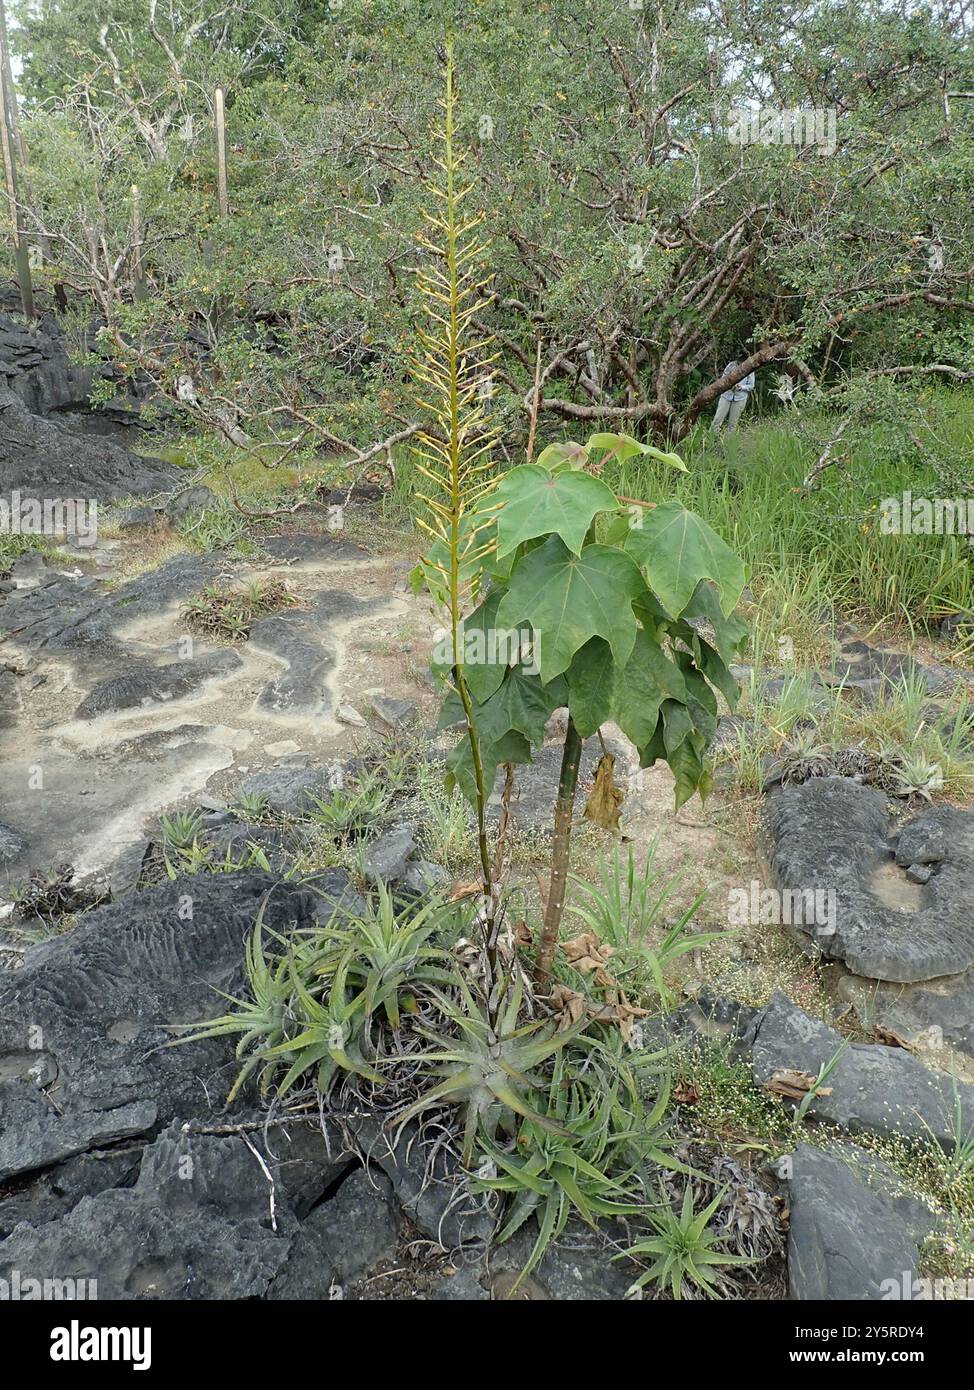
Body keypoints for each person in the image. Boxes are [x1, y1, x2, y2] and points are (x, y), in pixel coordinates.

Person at [711, 355, 755, 433]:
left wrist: (741, 387)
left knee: (732, 424)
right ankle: (710, 439)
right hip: (726, 395)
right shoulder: (731, 365)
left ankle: (729, 442)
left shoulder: (750, 369)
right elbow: (723, 378)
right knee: (717, 419)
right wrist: (729, 384)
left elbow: (751, 386)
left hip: (740, 398)